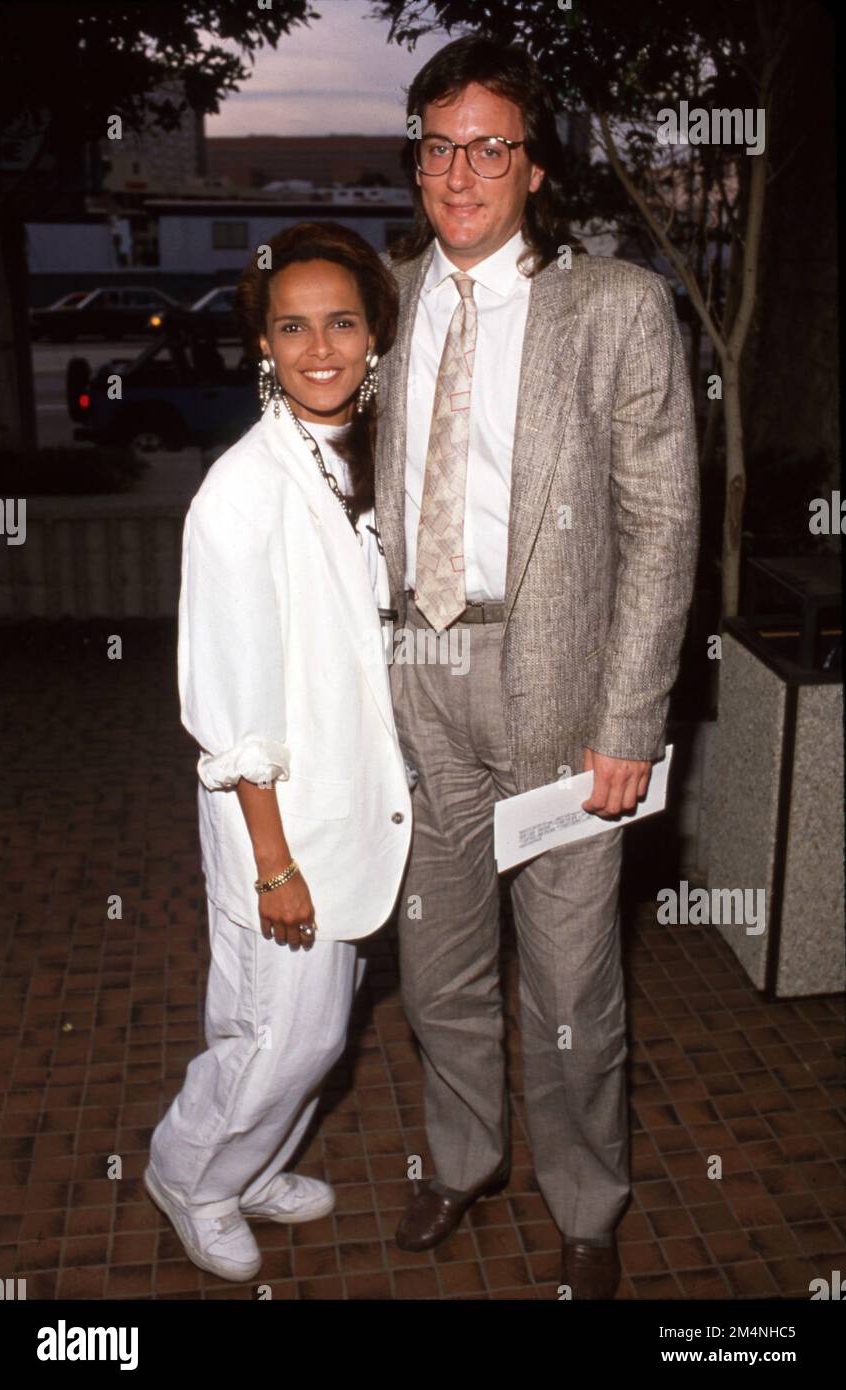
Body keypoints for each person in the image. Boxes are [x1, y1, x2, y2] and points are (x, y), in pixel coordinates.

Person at [375, 36, 700, 1299]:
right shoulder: (383, 300)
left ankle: (585, 1204)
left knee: (569, 978)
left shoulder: (614, 306)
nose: (460, 173)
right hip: (416, 675)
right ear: (416, 162)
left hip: (562, 687)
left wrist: (631, 718)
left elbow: (662, 529)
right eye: (438, 146)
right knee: (436, 960)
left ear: (534, 167)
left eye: (489, 147)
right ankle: (462, 1159)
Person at [146, 222, 413, 1283]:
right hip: (278, 814)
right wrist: (271, 861)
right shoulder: (241, 490)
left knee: (317, 1025)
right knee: (274, 1034)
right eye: (292, 327)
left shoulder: (365, 458)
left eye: (340, 322)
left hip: (346, 797)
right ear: (262, 343)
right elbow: (232, 703)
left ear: (372, 333)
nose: (319, 347)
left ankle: (249, 1165)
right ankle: (190, 1176)